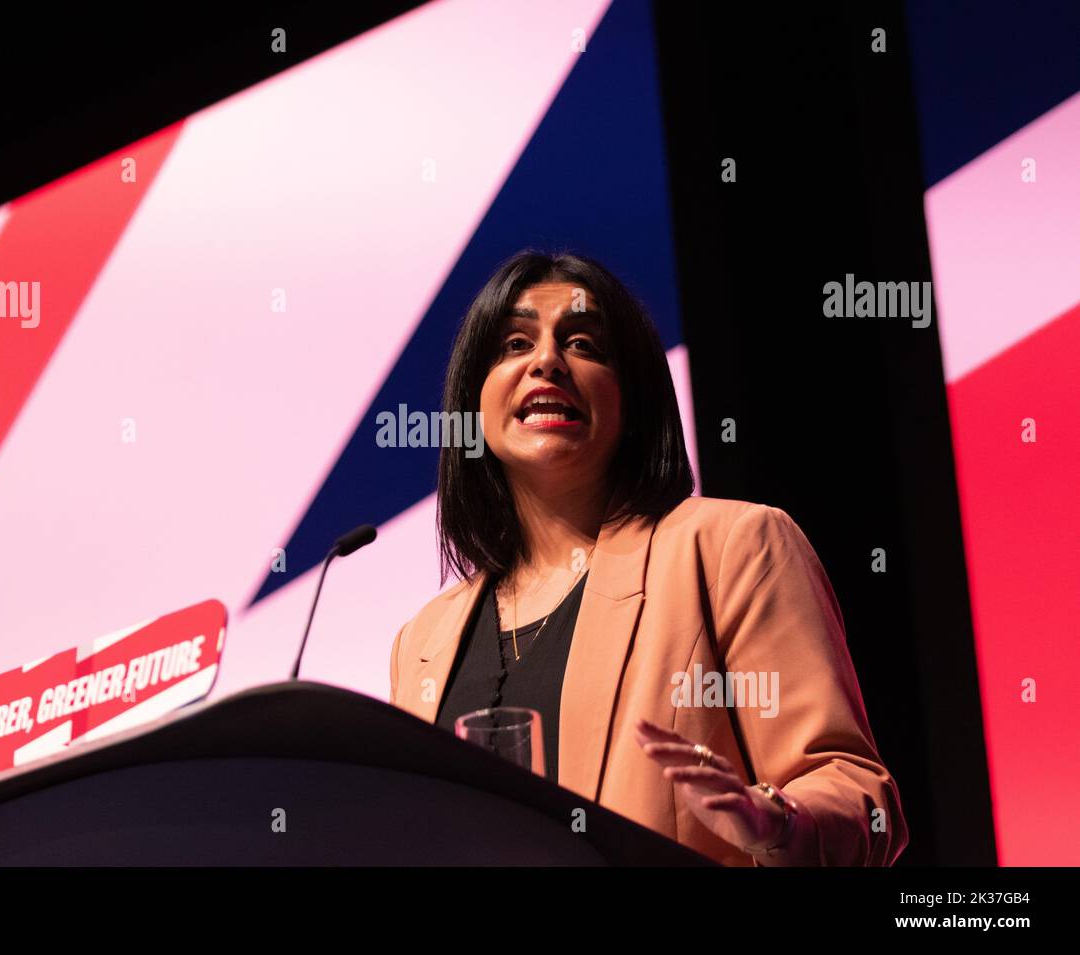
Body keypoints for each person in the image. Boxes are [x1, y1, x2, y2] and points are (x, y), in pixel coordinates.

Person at [389, 250, 908, 866]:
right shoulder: (422, 639)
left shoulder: (731, 548)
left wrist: (775, 822)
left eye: (583, 344)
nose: (547, 361)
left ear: (632, 403)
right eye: (513, 344)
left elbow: (860, 793)